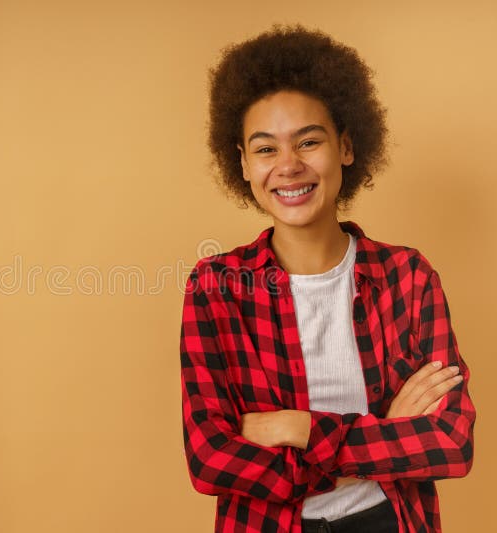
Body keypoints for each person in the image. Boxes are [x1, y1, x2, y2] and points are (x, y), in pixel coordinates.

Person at [179, 24, 476, 533]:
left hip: (389, 520)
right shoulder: (216, 287)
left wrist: (296, 428)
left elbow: (451, 442)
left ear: (345, 146)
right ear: (244, 164)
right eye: (266, 149)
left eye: (308, 141)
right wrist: (382, 434)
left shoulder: (409, 277)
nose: (289, 166)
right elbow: (210, 459)